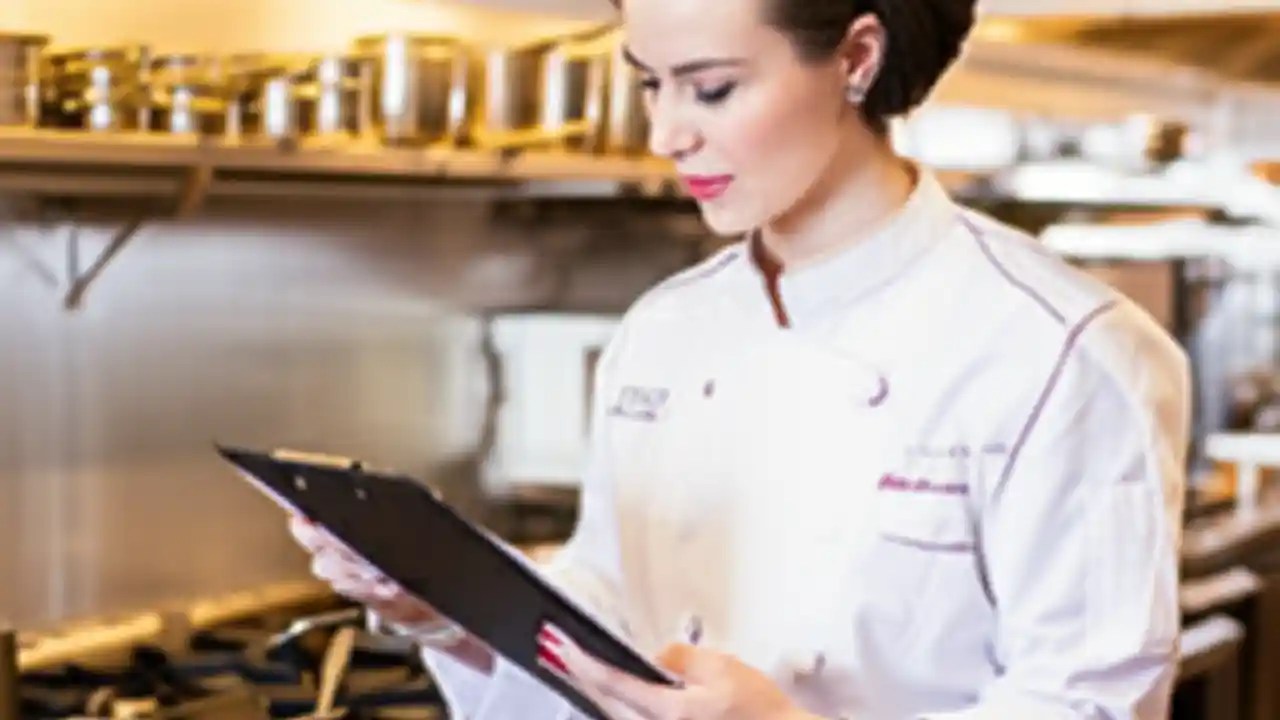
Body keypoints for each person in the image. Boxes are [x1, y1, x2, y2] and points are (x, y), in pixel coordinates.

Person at [289, 0, 1191, 717]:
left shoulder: (1060, 348)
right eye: (650, 85)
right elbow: (612, 610)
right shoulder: (666, 327)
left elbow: (1091, 703)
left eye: (710, 89)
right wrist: (447, 613)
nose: (666, 136)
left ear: (855, 58)